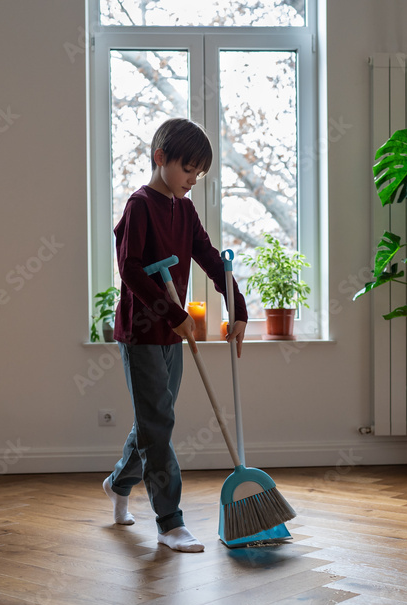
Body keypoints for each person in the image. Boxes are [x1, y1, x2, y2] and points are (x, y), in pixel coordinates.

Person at [103, 118, 248, 553]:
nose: (192, 181)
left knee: (153, 421)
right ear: (160, 158)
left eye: (199, 175)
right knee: (159, 422)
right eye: (188, 170)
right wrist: (173, 313)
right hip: (143, 333)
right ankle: (169, 522)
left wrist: (237, 307)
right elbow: (130, 269)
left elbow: (206, 255)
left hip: (172, 335)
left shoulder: (184, 210)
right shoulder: (139, 206)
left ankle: (117, 483)